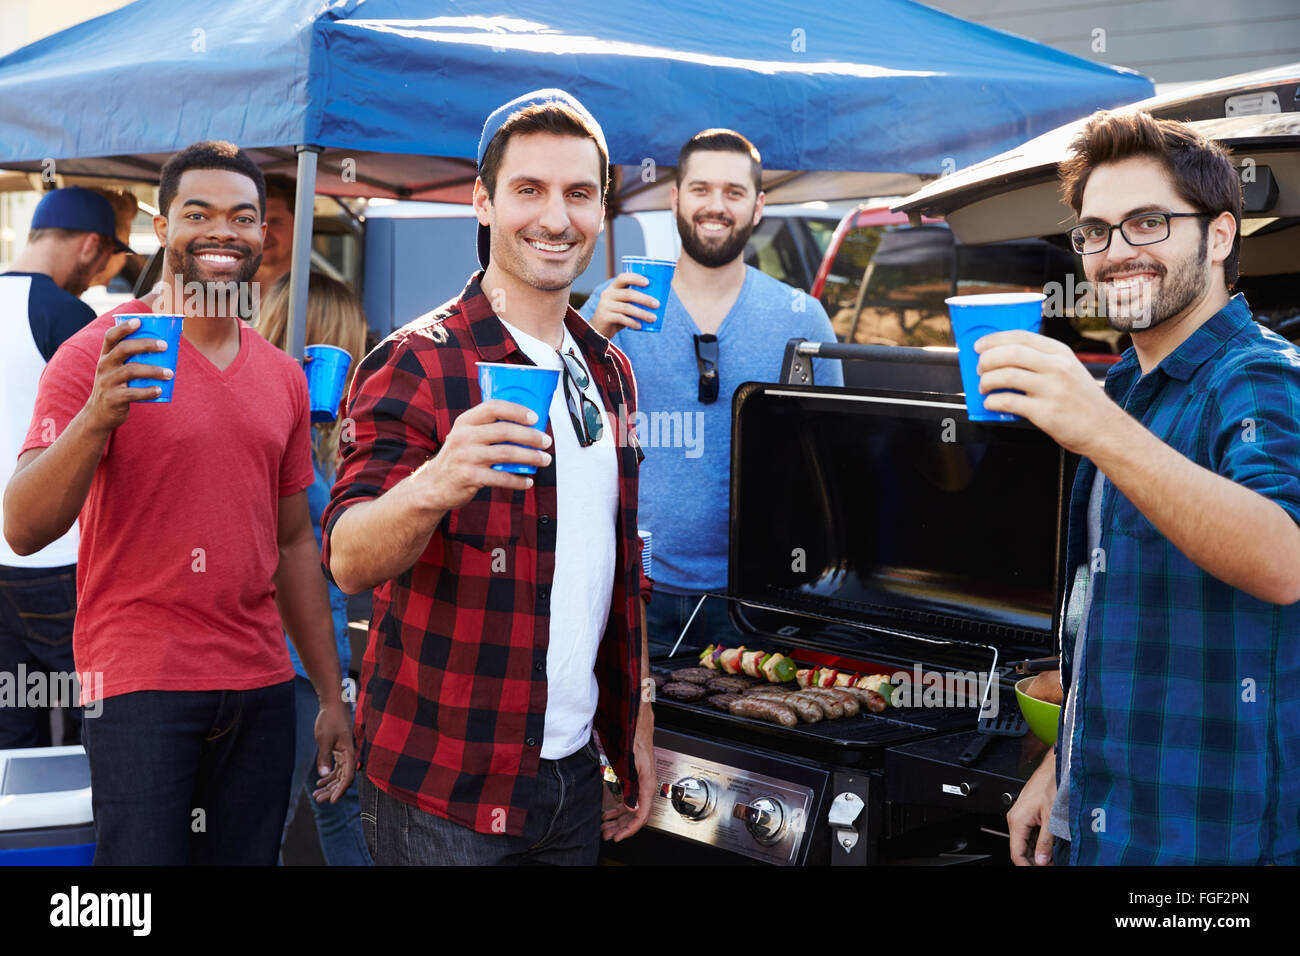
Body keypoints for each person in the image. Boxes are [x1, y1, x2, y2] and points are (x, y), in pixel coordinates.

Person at [323, 89, 654, 865]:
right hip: (447, 784)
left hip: (573, 774)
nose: (554, 218)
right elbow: (346, 558)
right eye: (528, 190)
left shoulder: (608, 371)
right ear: (483, 201)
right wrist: (437, 481)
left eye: (578, 194)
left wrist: (634, 712)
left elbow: (613, 560)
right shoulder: (416, 359)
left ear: (602, 210)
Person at [2, 141, 354, 865]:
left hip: (259, 683)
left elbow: (292, 544)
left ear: (264, 235)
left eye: (243, 217)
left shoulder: (283, 377)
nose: (223, 232)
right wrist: (98, 414)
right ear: (163, 230)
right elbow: (25, 526)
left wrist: (328, 693)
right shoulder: (101, 351)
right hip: (139, 683)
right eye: (199, 214)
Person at [989, 111, 1300, 865]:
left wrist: (1097, 426)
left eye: (1147, 223)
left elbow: (1284, 559)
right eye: (1095, 231)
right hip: (1110, 819)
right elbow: (1110, 621)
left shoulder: (1259, 375)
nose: (1115, 252)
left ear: (1219, 236)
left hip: (1213, 837)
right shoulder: (1130, 386)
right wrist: (1062, 765)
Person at [581, 129, 842, 657]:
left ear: (758, 205)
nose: (715, 206)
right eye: (700, 189)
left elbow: (831, 457)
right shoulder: (616, 307)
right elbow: (570, 432)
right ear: (675, 198)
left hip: (757, 598)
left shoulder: (801, 317)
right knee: (635, 735)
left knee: (743, 734)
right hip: (635, 587)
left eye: (733, 192)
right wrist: (593, 341)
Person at [255, 271, 372, 865]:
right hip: (290, 667)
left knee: (338, 801)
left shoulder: (308, 436)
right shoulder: (281, 439)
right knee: (268, 827)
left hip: (311, 665)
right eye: (348, 345)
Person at [0, 187, 124, 749]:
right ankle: (87, 836)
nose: (97, 279)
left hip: (7, 552)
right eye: (103, 264)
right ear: (89, 246)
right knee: (89, 725)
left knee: (12, 723)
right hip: (54, 556)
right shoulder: (69, 315)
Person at [252, 175, 295, 294]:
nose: (262, 234)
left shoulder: (323, 297)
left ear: (300, 223)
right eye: (253, 221)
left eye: (275, 222)